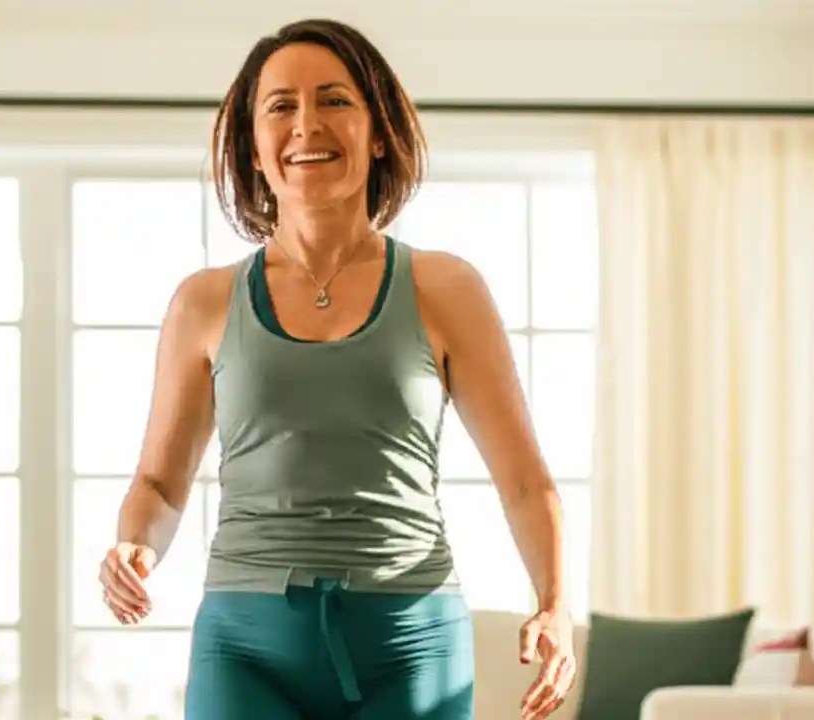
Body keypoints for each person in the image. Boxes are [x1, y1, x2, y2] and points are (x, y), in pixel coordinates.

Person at [97, 17, 576, 720]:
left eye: (334, 100)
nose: (307, 125)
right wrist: (134, 546)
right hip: (245, 645)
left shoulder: (445, 289)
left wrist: (556, 604)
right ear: (254, 148)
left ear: (377, 132)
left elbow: (527, 482)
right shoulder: (204, 302)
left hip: (410, 642)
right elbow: (159, 485)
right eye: (281, 106)